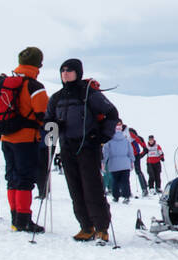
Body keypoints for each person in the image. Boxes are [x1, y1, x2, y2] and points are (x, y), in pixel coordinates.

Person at [45, 58, 119, 242]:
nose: (65, 74)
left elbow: (111, 113)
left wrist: (102, 136)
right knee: (75, 188)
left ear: (78, 72)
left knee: (92, 187)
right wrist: (54, 126)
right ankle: (86, 226)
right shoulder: (56, 98)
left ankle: (102, 227)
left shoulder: (88, 93)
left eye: (69, 71)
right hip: (67, 147)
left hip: (88, 146)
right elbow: (47, 121)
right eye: (62, 71)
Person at [0, 47, 50, 234]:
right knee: (25, 179)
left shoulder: (7, 83)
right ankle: (24, 220)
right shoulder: (34, 86)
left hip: (6, 136)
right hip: (26, 138)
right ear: (39, 64)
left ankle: (15, 218)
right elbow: (42, 114)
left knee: (12, 177)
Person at [104, 123, 135, 202]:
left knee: (115, 181)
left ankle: (116, 196)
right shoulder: (126, 140)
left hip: (114, 164)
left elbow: (105, 153)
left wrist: (103, 162)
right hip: (125, 164)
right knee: (125, 181)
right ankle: (126, 196)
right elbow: (130, 152)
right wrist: (132, 161)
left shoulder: (109, 141)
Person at [128, 127, 149, 196]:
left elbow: (138, 139)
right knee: (138, 171)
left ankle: (144, 189)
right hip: (134, 154)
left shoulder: (129, 133)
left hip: (133, 155)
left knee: (136, 171)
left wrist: (144, 149)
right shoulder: (128, 132)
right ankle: (144, 188)